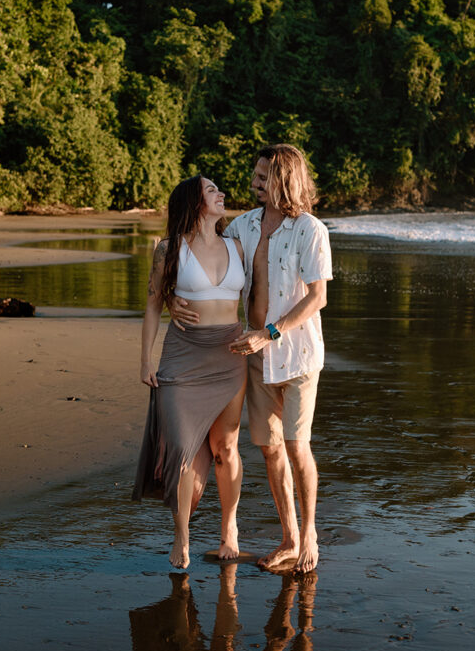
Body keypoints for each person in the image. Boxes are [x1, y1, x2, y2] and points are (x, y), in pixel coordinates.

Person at [173, 144, 332, 573]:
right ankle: (289, 539)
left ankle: (310, 533)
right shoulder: (242, 226)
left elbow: (318, 297)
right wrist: (172, 298)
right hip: (256, 358)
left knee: (298, 445)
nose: (253, 183)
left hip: (297, 356)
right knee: (269, 448)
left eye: (262, 177)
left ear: (284, 179)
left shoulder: (311, 230)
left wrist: (269, 333)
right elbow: (202, 260)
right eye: (255, 175)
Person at [132, 175, 247, 569]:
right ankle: (181, 534)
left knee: (225, 449)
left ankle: (229, 528)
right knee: (181, 449)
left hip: (229, 355)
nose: (221, 194)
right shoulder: (169, 248)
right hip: (182, 357)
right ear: (194, 202)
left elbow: (260, 295)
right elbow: (151, 304)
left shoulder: (239, 245)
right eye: (211, 190)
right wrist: (146, 360)